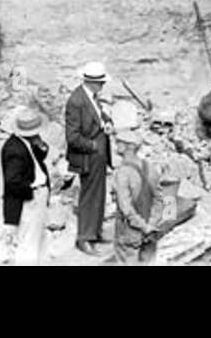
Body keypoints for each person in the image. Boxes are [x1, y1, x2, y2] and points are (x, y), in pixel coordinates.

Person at [65, 60, 113, 256]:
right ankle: (84, 237)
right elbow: (73, 137)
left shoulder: (91, 97)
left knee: (99, 194)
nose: (103, 86)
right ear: (92, 82)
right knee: (89, 196)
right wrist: (94, 146)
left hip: (98, 154)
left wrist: (107, 122)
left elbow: (97, 116)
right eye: (101, 82)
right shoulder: (76, 101)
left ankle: (95, 232)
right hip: (88, 155)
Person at [1, 107, 51, 265]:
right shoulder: (14, 150)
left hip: (38, 194)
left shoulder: (26, 143)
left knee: (38, 239)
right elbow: (12, 181)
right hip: (29, 199)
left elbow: (36, 160)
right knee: (28, 244)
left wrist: (40, 145)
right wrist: (32, 191)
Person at [112, 129, 162, 265]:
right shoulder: (150, 167)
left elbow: (125, 208)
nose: (116, 145)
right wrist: (152, 223)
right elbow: (160, 199)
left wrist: (142, 226)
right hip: (151, 230)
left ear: (129, 146)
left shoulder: (123, 172)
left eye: (119, 143)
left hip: (130, 232)